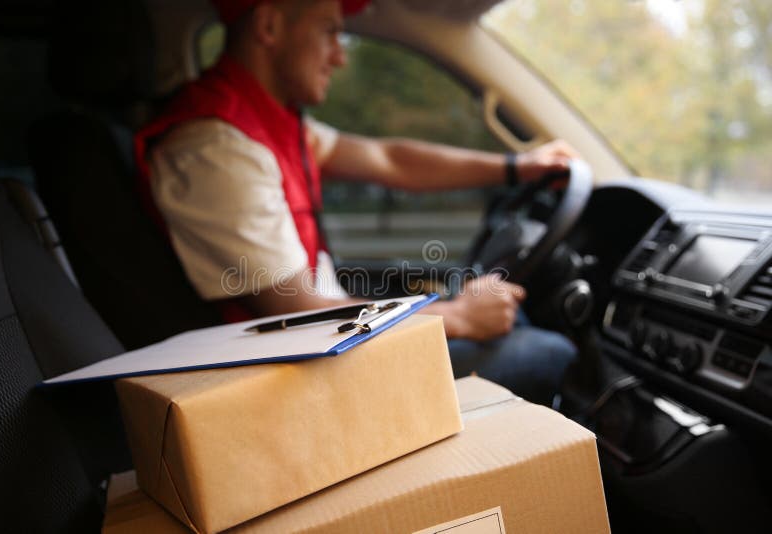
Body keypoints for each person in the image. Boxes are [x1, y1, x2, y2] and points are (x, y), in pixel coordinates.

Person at [134, 0, 577, 406]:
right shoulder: (216, 148)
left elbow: (391, 160)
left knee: (511, 326)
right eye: (329, 31)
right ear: (269, 25)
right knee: (550, 354)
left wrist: (518, 167)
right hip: (289, 387)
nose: (340, 55)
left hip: (326, 347)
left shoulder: (269, 122)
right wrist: (457, 316)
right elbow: (299, 314)